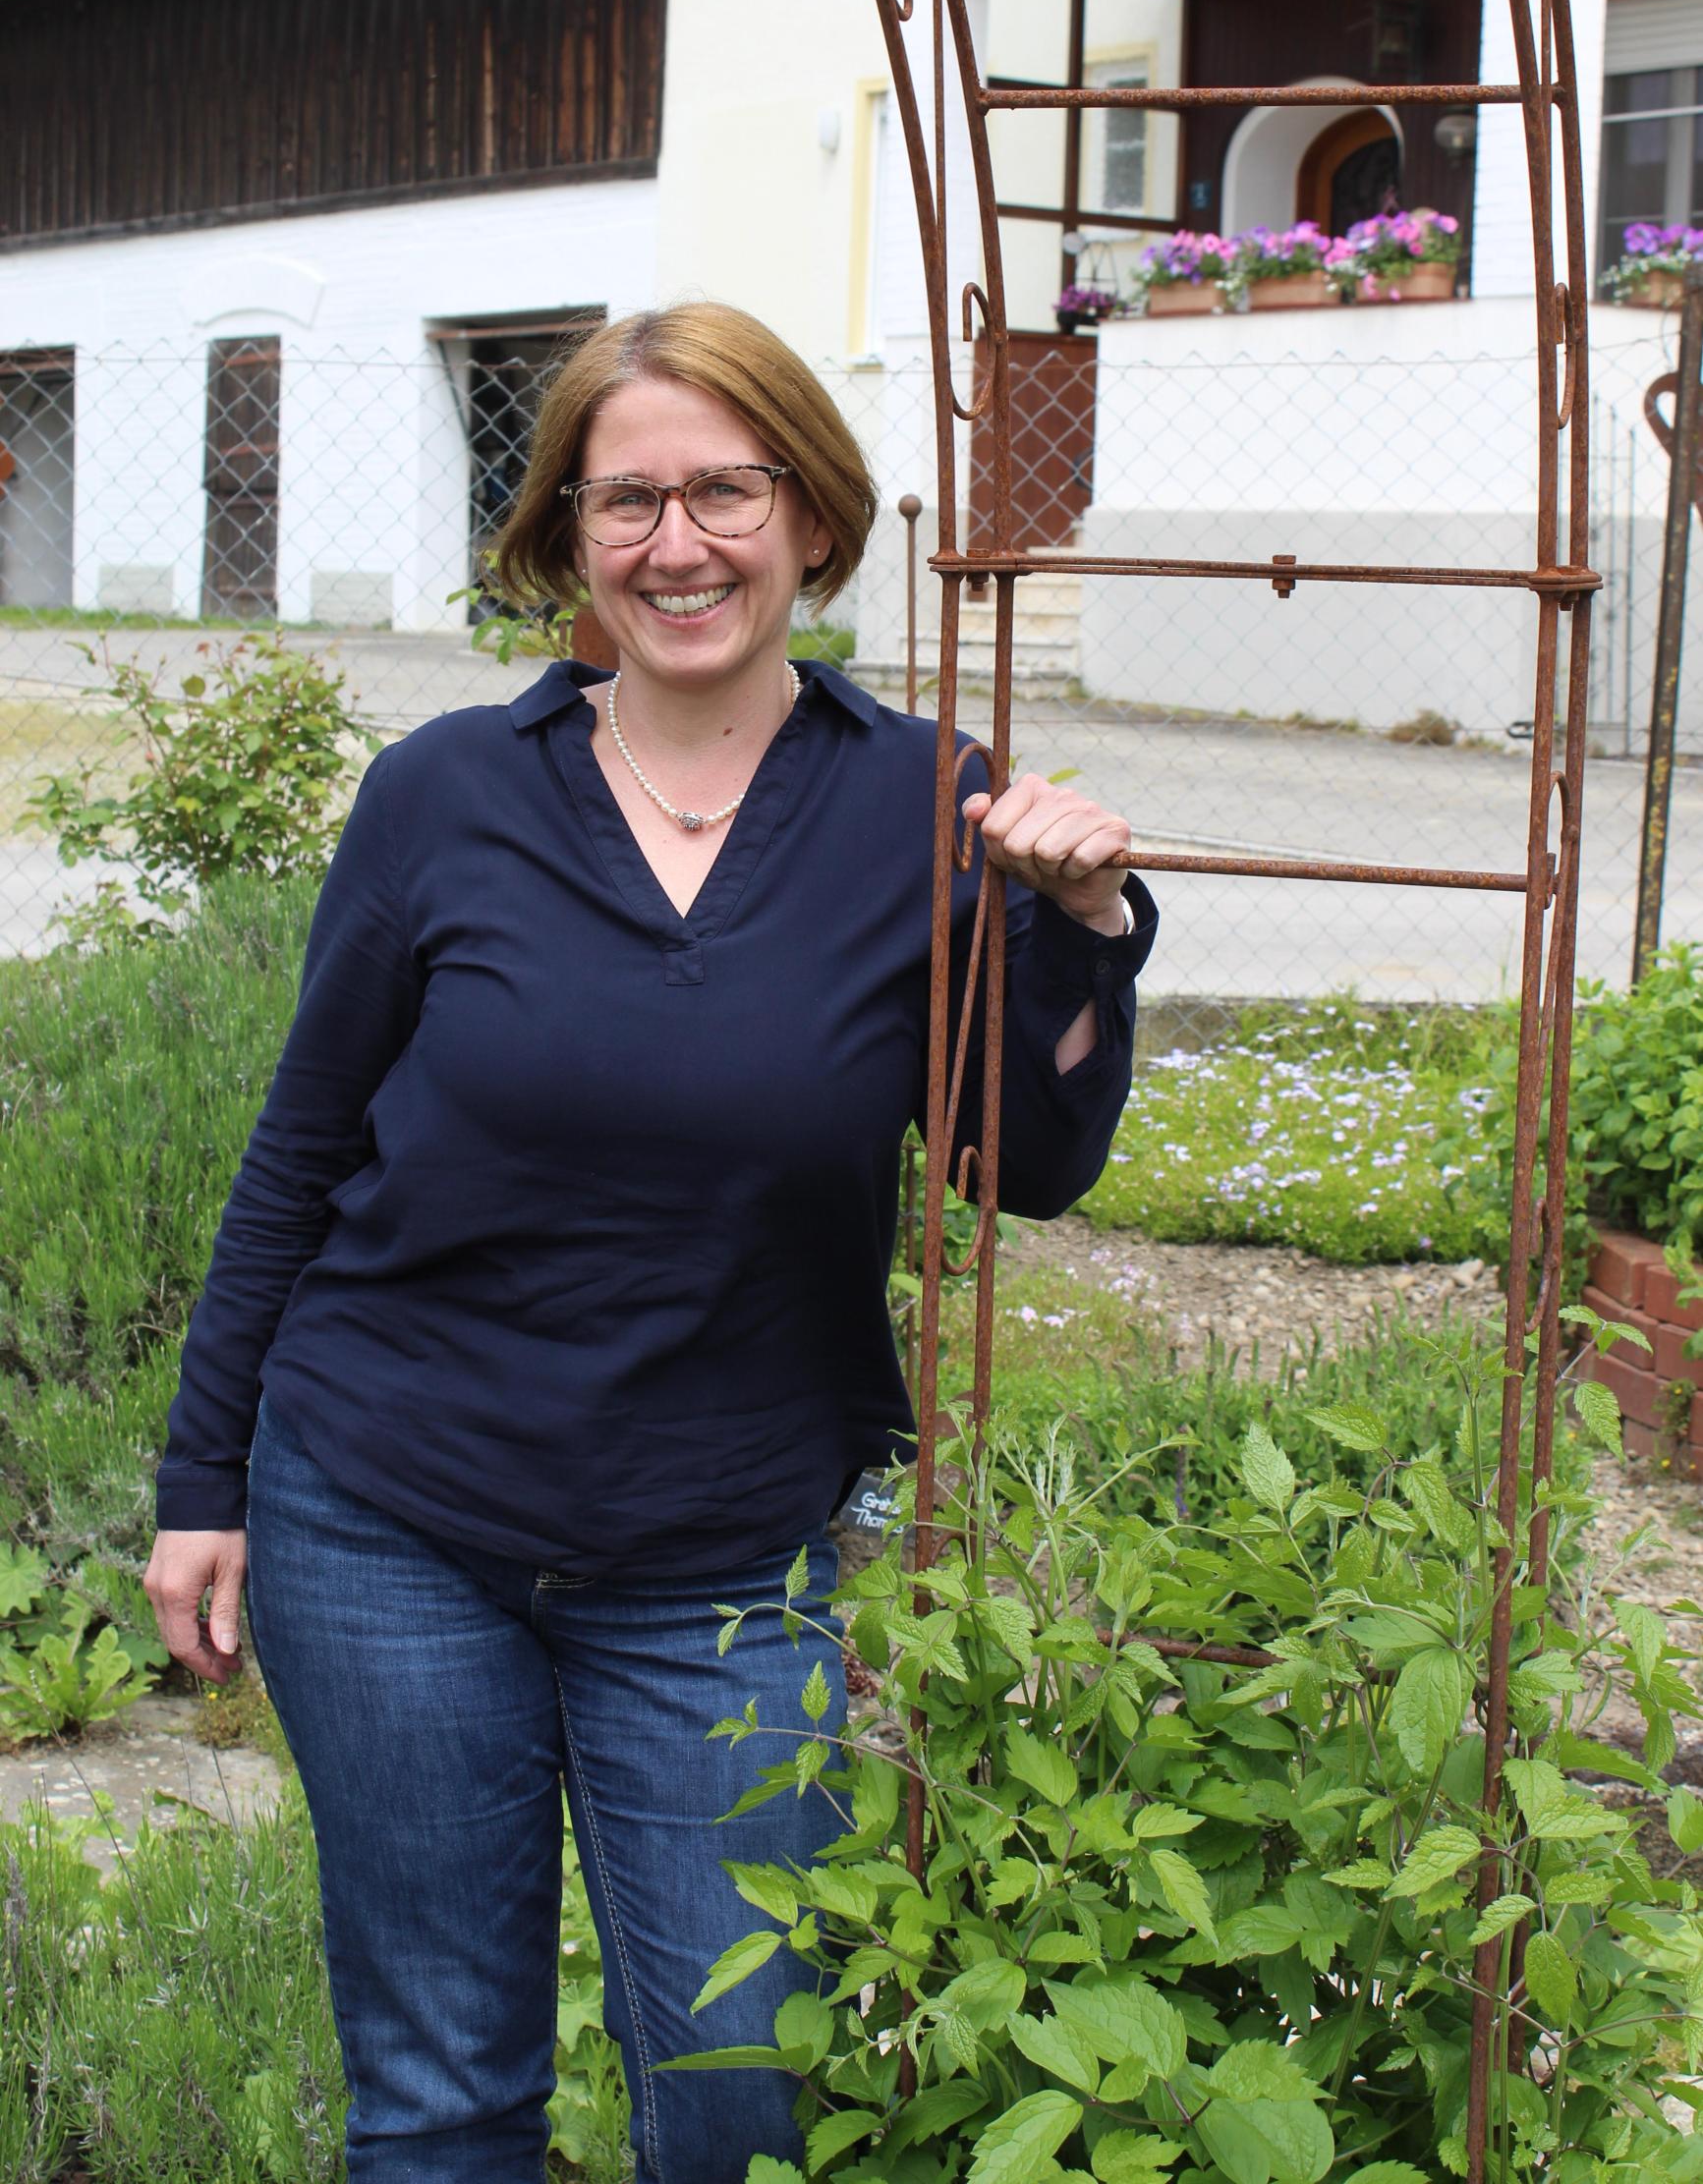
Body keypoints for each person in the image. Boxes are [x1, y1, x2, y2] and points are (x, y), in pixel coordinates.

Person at [143, 302, 1158, 2184]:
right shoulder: (445, 792)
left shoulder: (922, 799)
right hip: (386, 1523)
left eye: (724, 490)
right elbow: (295, 1158)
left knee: (741, 2103)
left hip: (719, 1559)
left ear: (812, 518)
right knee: (444, 2088)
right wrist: (206, 1477)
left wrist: (1075, 928)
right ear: (564, 539)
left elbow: (1027, 1166)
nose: (676, 544)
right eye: (627, 501)